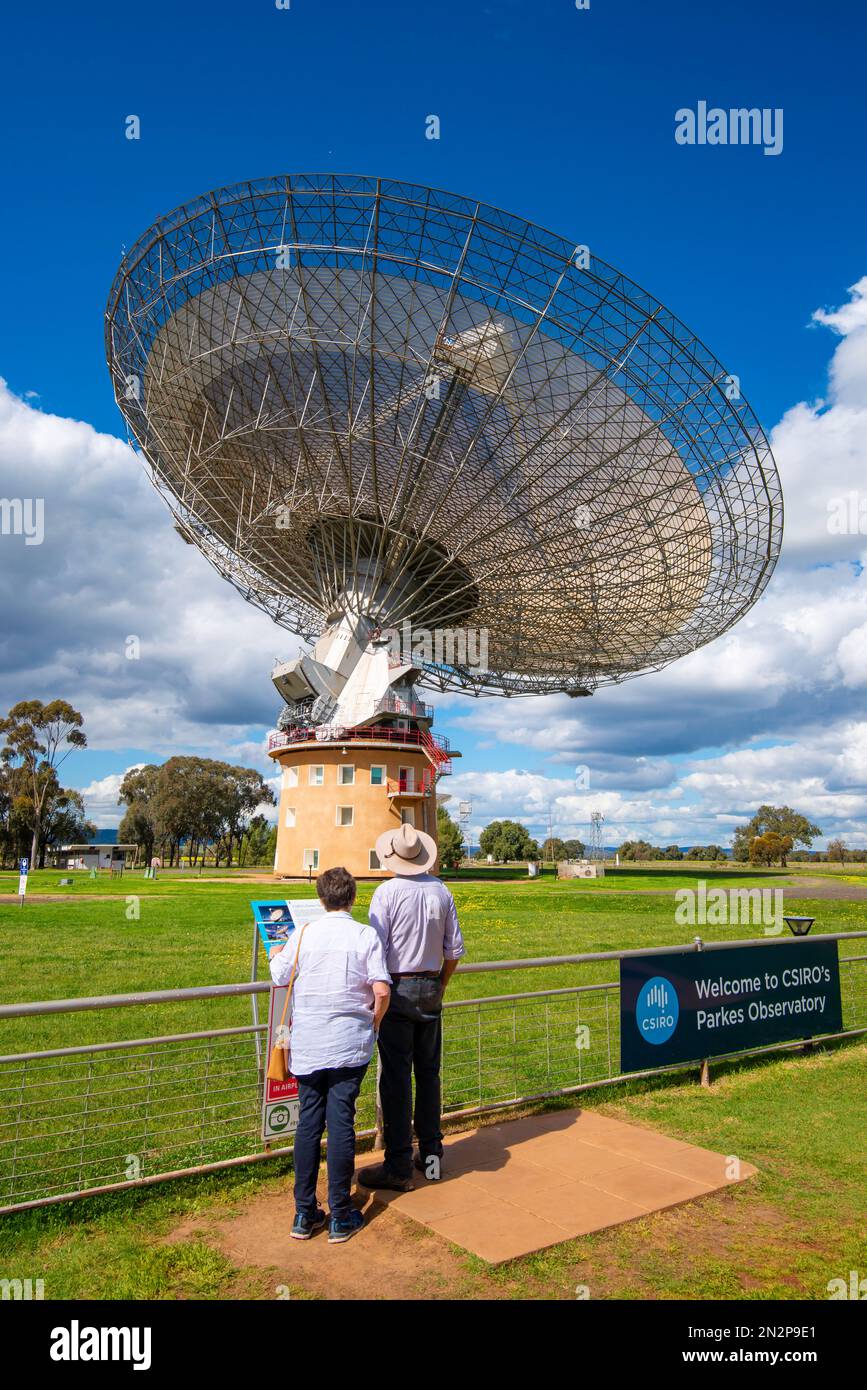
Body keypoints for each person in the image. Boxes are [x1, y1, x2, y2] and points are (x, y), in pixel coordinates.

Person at [269, 866, 390, 1243]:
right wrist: (374, 1022)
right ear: (352, 897)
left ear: (321, 899)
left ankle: (304, 1214)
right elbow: (382, 990)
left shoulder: (304, 933)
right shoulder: (364, 935)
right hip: (349, 1044)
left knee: (308, 1124)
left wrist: (279, 951)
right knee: (341, 1122)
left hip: (309, 1042)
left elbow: (278, 974)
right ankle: (340, 1214)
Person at [359, 823, 465, 1192]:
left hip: (397, 986)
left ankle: (399, 1164)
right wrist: (439, 983)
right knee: (429, 1074)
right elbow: (454, 951)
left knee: (396, 1078)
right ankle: (432, 1159)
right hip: (431, 985)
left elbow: (375, 950)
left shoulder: (385, 894)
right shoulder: (442, 891)